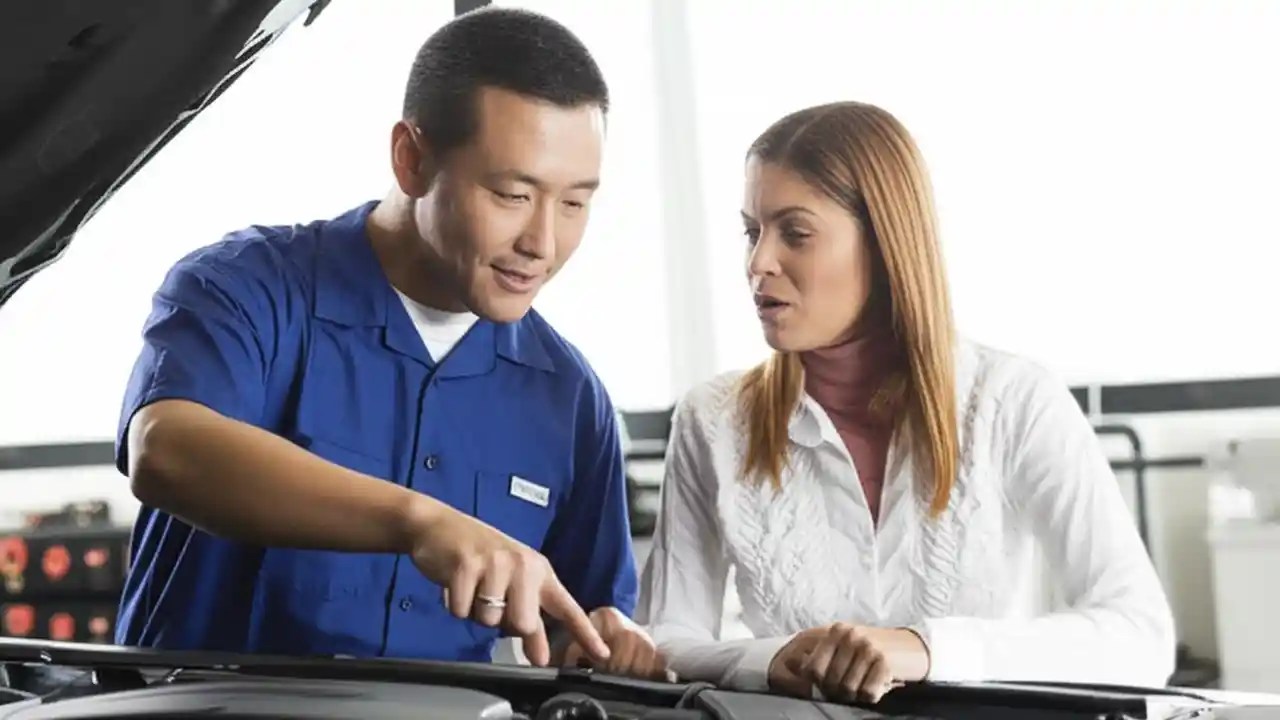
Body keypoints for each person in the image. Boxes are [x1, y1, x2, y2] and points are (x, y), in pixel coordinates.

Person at [112, 6, 664, 678]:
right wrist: (421, 522)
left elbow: (581, 620)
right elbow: (165, 450)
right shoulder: (245, 288)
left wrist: (603, 640)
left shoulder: (571, 400)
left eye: (574, 203)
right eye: (511, 194)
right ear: (412, 160)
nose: (543, 243)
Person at [634, 101, 1177, 702]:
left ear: (884, 241)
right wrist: (771, 659)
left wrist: (923, 648)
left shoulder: (1014, 401)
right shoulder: (711, 420)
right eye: (752, 232)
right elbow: (663, 639)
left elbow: (1139, 635)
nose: (758, 263)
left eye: (795, 233)